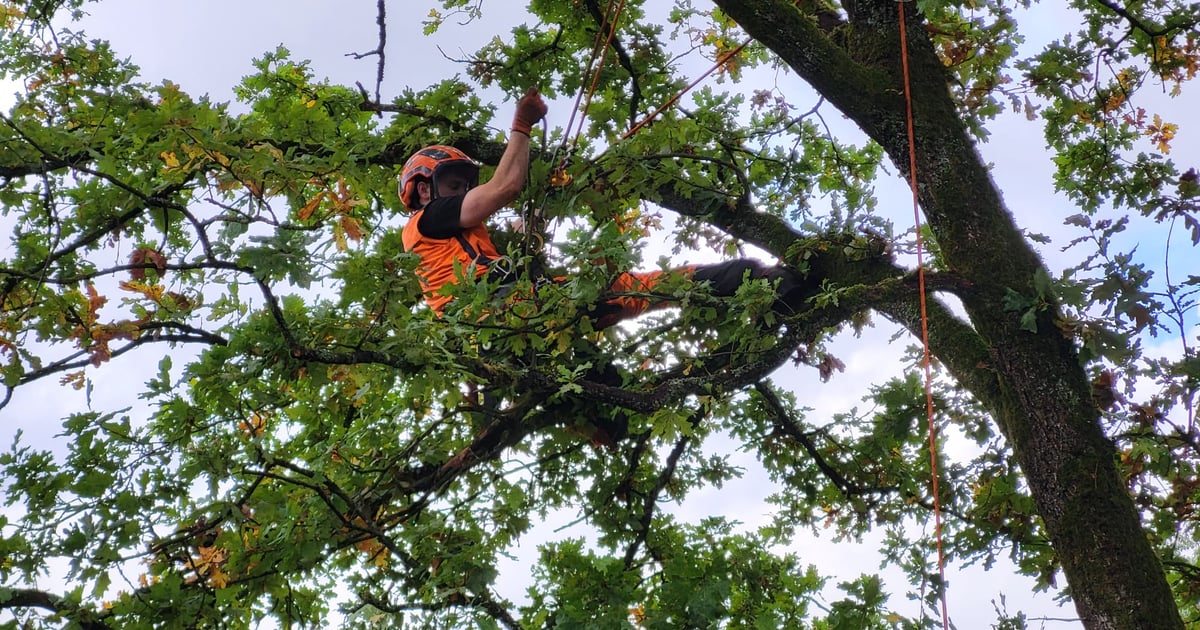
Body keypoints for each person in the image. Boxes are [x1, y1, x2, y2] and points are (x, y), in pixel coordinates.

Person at [399, 87, 809, 328]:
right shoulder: (428, 220)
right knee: (641, 288)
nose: (462, 194)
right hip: (504, 314)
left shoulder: (456, 245)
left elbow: (498, 271)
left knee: (630, 296)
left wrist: (528, 246)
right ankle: (766, 280)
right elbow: (505, 187)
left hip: (505, 322)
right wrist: (521, 124)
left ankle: (600, 414)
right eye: (454, 185)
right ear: (422, 191)